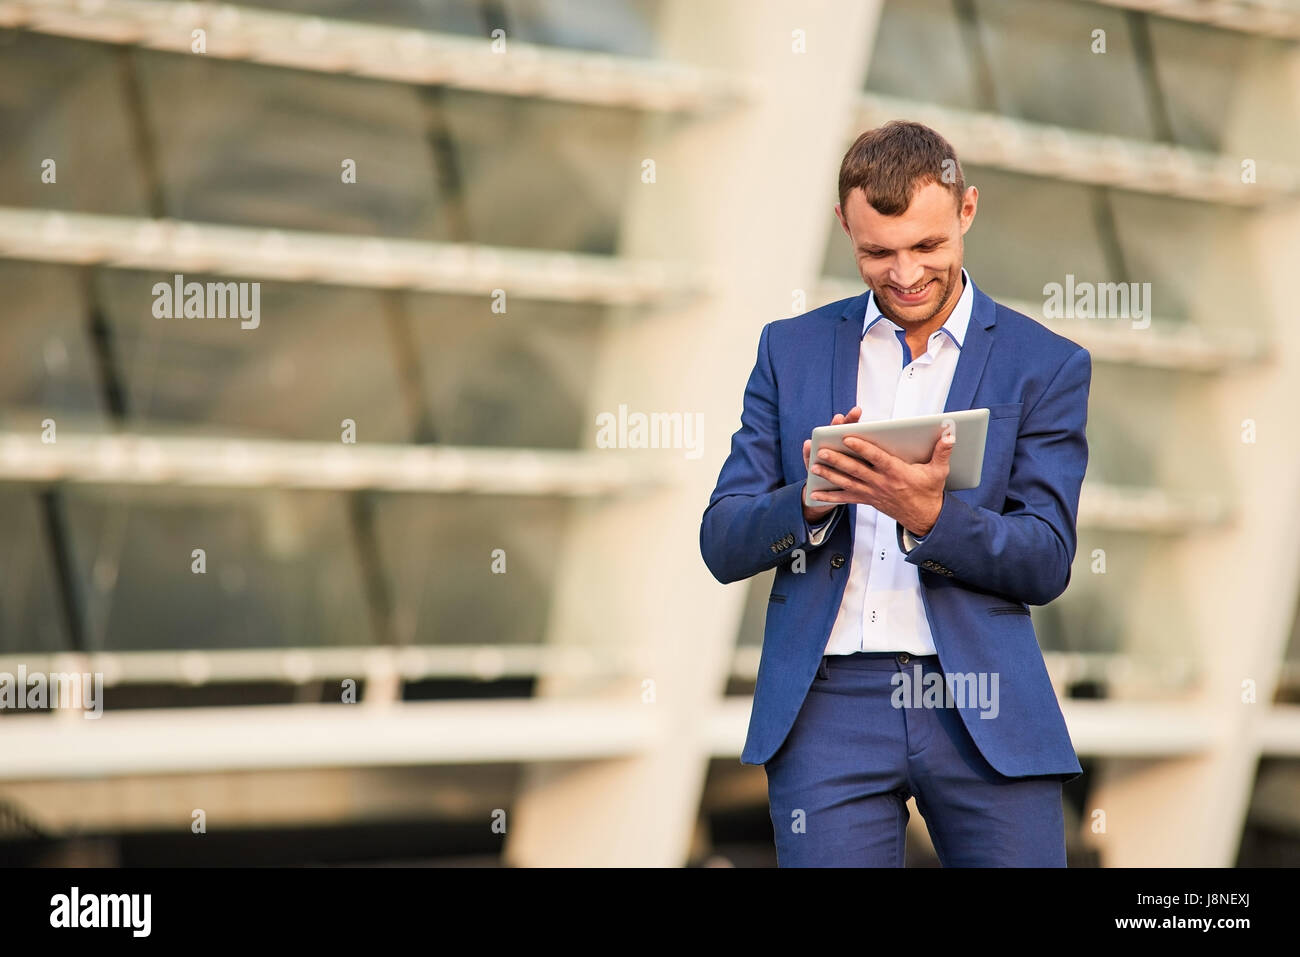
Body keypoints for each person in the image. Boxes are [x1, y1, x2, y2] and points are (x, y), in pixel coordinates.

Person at [699, 120, 1090, 867]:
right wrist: (809, 500)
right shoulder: (790, 349)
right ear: (844, 225)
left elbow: (1046, 559)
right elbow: (722, 539)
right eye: (877, 251)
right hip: (828, 706)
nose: (906, 273)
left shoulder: (1047, 364)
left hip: (985, 701)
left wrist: (931, 517)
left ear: (967, 210)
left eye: (928, 246)